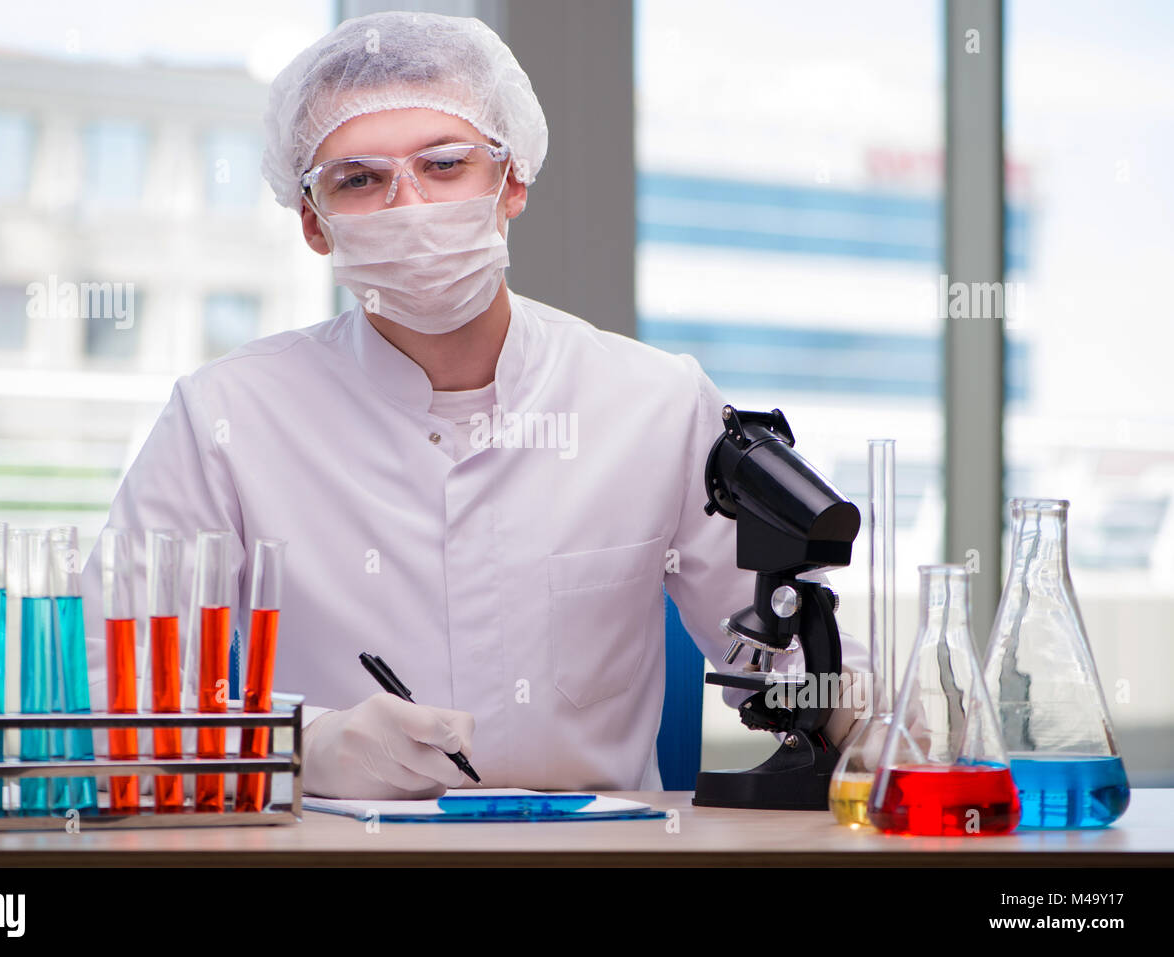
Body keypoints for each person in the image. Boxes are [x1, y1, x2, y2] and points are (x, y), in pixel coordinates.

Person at [80, 10, 869, 801]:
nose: (409, 204)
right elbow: (108, 691)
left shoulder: (654, 405)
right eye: (360, 179)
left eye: (446, 164)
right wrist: (301, 744)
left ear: (512, 180)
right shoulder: (225, 420)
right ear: (314, 223)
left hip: (597, 863)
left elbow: (782, 646)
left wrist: (870, 714)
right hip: (328, 860)